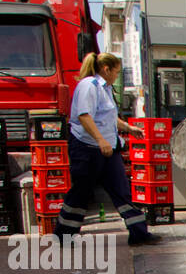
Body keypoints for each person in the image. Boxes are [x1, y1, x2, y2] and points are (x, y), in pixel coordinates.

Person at [55, 52, 161, 245]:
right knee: (81, 192)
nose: (116, 76)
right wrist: (101, 140)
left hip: (107, 150)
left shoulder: (105, 89)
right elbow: (84, 116)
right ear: (106, 69)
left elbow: (108, 117)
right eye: (116, 72)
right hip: (87, 149)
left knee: (121, 190)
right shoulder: (89, 86)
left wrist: (128, 128)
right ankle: (64, 235)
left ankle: (139, 234)